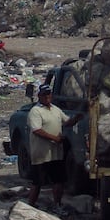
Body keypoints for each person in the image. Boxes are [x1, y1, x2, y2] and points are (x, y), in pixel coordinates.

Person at [27, 83, 83, 212]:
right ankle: (31, 206)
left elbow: (66, 121)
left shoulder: (55, 109)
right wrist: (55, 138)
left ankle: (57, 204)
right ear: (39, 96)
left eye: (49, 94)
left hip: (56, 152)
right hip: (41, 153)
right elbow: (37, 130)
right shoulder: (35, 111)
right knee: (38, 182)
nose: (47, 97)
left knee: (59, 180)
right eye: (44, 95)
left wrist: (76, 119)